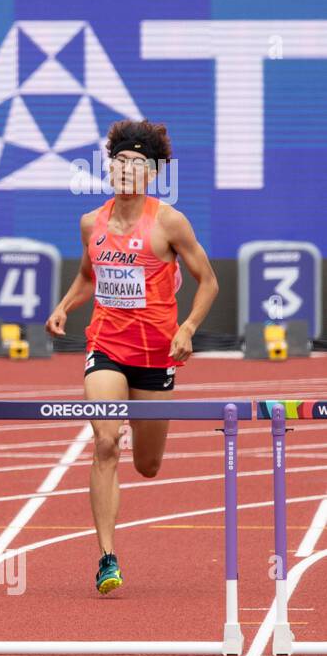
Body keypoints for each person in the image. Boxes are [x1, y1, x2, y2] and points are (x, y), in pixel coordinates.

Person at [45, 120, 218, 595]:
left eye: (136, 164)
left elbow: (209, 281)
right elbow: (87, 275)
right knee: (104, 441)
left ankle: (143, 452)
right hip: (105, 346)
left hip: (156, 354)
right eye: (119, 162)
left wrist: (187, 327)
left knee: (147, 464)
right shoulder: (91, 223)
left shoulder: (169, 222)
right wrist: (64, 306)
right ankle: (106, 556)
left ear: (153, 175)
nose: (125, 170)